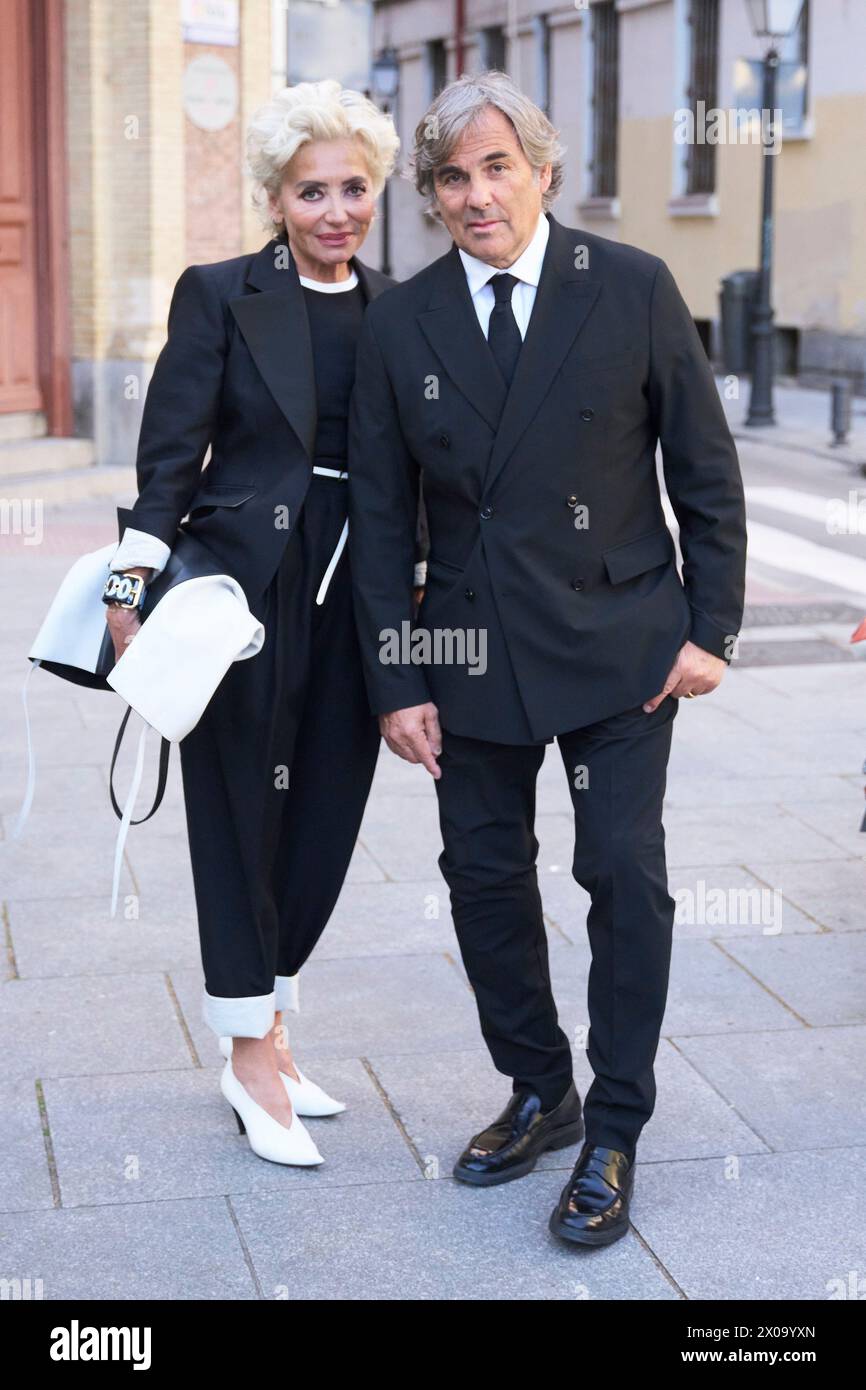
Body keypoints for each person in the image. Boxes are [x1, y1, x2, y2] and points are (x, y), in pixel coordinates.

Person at [348, 71, 747, 1243]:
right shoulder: (399, 319)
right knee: (482, 879)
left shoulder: (626, 287)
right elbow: (379, 517)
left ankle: (615, 1127)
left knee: (621, 872)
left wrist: (707, 630)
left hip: (620, 643)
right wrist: (395, 677)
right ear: (428, 196)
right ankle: (540, 1089)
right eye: (452, 178)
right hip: (467, 652)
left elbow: (703, 470)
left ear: (542, 170)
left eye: (496, 167)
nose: (476, 195)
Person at [103, 80, 399, 1166]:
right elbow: (169, 452)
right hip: (241, 591)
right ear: (276, 196)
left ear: (376, 194)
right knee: (237, 817)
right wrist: (131, 585)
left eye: (353, 189)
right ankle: (246, 1054)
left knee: (323, 814)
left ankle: (269, 1021)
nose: (334, 210)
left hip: (356, 591)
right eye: (310, 190)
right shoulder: (223, 293)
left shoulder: (401, 310)